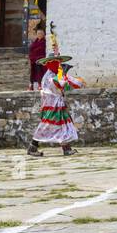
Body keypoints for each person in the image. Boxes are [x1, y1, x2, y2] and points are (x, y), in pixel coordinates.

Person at [28, 27, 83, 157]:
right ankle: (33, 147)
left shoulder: (52, 74)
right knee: (46, 126)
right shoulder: (51, 76)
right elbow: (64, 84)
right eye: (57, 63)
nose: (59, 65)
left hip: (56, 104)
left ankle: (66, 148)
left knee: (63, 125)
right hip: (52, 106)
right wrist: (77, 82)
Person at [28, 21, 47, 90]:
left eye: (41, 33)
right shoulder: (35, 42)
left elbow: (42, 50)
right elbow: (31, 49)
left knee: (40, 73)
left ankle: (40, 84)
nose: (39, 35)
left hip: (41, 60)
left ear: (43, 34)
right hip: (34, 60)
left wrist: (37, 57)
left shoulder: (44, 42)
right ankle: (32, 85)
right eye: (38, 33)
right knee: (33, 74)